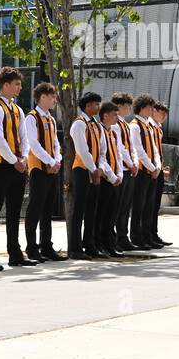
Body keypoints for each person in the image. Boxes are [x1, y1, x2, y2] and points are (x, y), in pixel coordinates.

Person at [0, 66, 33, 270]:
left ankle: (15, 253)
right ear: (5, 85)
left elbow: (24, 137)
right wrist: (15, 160)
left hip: (17, 165)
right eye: (17, 84)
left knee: (14, 210)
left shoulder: (17, 109)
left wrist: (23, 158)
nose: (20, 88)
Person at [22, 81, 63, 262]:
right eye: (52, 96)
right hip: (38, 169)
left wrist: (57, 160)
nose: (55, 99)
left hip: (52, 169)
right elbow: (33, 144)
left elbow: (56, 143)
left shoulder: (51, 119)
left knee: (47, 210)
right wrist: (49, 161)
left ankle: (46, 246)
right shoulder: (31, 117)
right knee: (35, 209)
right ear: (43, 97)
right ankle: (31, 248)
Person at [67, 92, 103, 259]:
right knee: (79, 209)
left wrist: (99, 168)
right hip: (82, 170)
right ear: (87, 106)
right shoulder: (79, 124)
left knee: (92, 209)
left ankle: (89, 244)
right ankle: (75, 248)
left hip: (95, 170)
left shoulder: (96, 124)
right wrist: (93, 169)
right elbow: (82, 150)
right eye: (95, 104)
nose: (98, 107)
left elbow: (102, 149)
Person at [128, 94, 161, 249]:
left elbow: (154, 148)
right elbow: (138, 150)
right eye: (149, 107)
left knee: (149, 205)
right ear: (141, 108)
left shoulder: (148, 125)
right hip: (142, 171)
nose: (152, 110)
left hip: (151, 170)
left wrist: (157, 166)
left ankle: (147, 235)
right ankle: (136, 236)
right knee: (139, 205)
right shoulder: (135, 126)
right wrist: (151, 167)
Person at [94, 101, 126, 256]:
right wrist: (112, 176)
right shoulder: (99, 130)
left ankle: (110, 244)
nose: (117, 118)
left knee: (112, 213)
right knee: (102, 214)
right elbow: (101, 156)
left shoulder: (114, 131)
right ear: (105, 115)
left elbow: (118, 154)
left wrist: (120, 173)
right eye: (114, 115)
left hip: (115, 178)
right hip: (106, 178)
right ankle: (100, 244)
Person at [110, 91, 139, 251]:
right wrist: (130, 162)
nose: (129, 109)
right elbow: (120, 148)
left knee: (126, 205)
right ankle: (116, 238)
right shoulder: (115, 125)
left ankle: (123, 236)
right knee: (118, 205)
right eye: (127, 105)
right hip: (120, 168)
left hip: (129, 168)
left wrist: (134, 163)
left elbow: (132, 147)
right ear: (119, 106)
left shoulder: (125, 125)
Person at [148, 102, 171, 246]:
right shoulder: (148, 126)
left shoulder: (158, 128)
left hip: (158, 168)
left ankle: (153, 233)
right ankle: (146, 234)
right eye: (161, 113)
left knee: (155, 204)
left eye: (165, 114)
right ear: (153, 111)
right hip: (149, 169)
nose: (164, 116)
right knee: (148, 205)